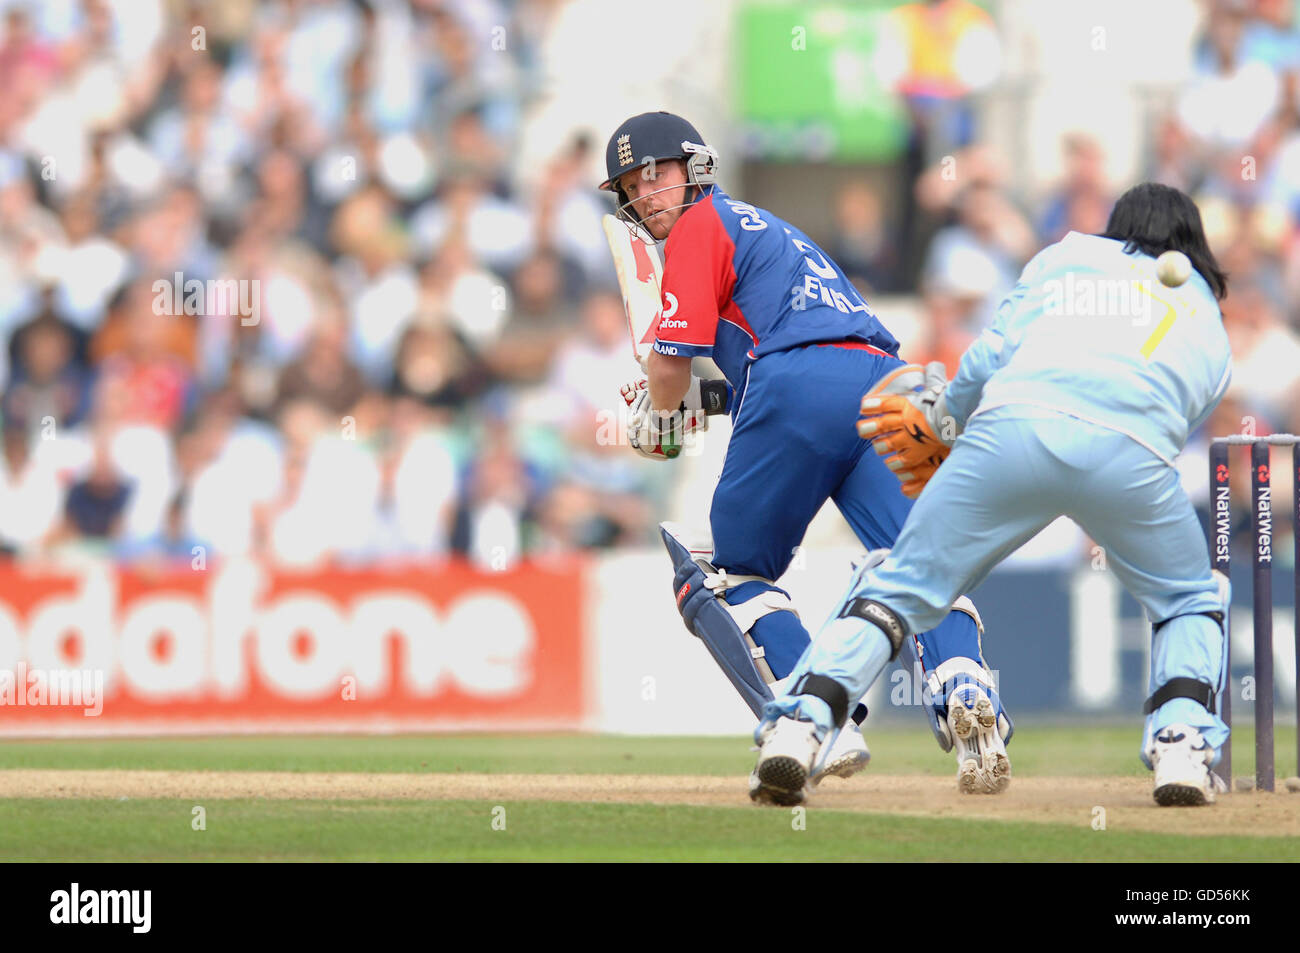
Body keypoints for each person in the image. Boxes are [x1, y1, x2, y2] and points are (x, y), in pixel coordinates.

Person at [752, 182, 1232, 807]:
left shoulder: (1066, 256)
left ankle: (800, 726)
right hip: (1132, 452)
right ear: (1193, 243)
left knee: (903, 587)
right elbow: (1189, 409)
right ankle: (1181, 749)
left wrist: (945, 417)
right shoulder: (1204, 310)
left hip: (1013, 427)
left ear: (1116, 229)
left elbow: (991, 353)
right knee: (1188, 596)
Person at [599, 111, 1014, 804]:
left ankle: (816, 718)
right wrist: (685, 402)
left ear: (695, 170)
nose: (647, 195)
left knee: (728, 572)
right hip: (891, 385)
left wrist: (654, 413)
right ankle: (965, 686)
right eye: (633, 187)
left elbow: (678, 366)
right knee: (922, 564)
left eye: (657, 175)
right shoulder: (769, 227)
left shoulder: (699, 227)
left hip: (798, 385)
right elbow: (762, 369)